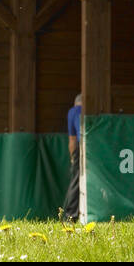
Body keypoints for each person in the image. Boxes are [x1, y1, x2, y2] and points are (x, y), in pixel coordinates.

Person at [63, 92, 82, 221]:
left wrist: (73, 158)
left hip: (81, 146)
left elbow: (72, 141)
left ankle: (71, 215)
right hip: (96, 143)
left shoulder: (73, 112)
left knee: (76, 180)